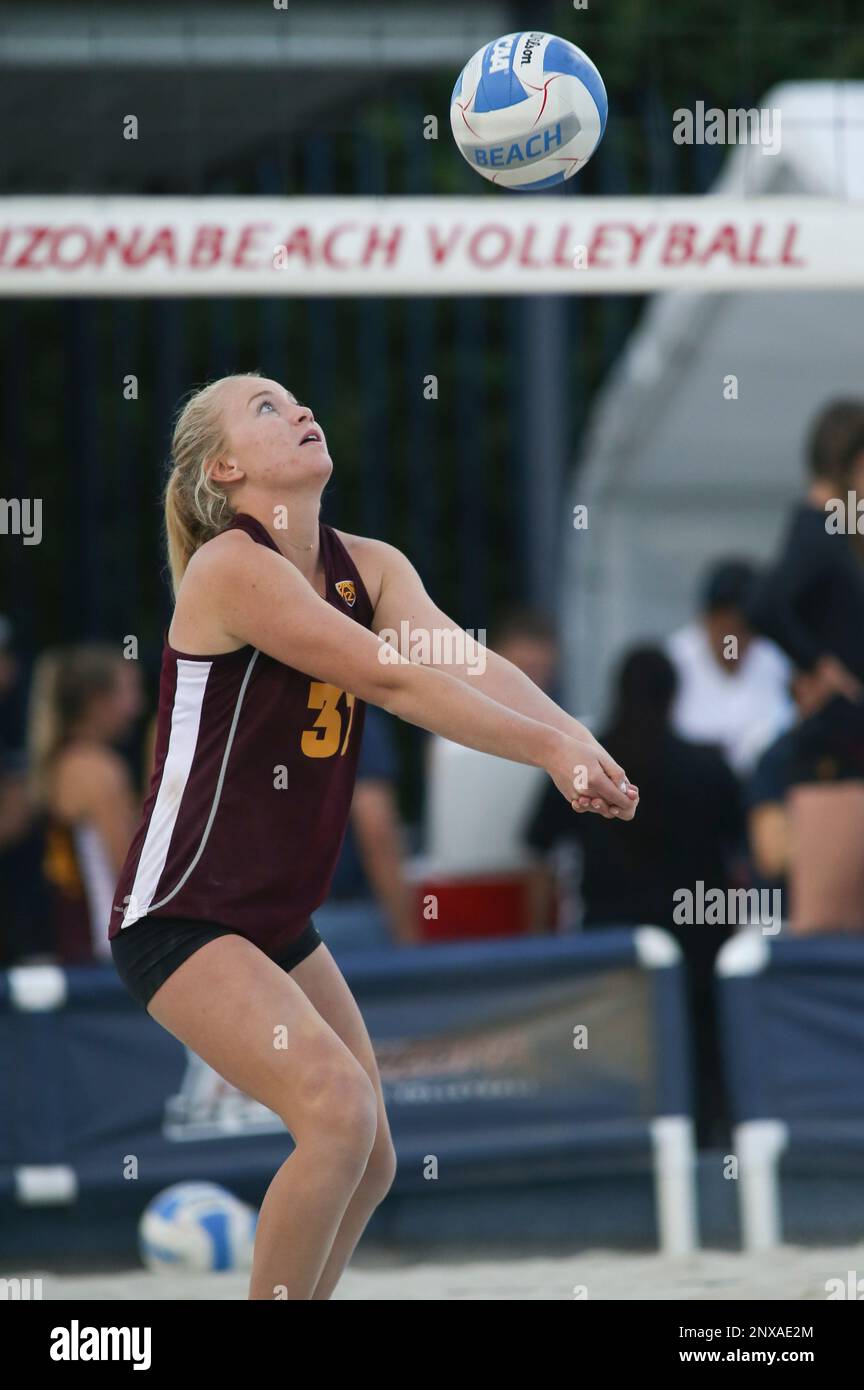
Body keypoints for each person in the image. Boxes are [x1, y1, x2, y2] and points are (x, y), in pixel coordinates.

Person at [108, 372, 640, 1302]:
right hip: (182, 914)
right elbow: (394, 682)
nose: (303, 408)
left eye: (298, 398)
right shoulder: (228, 569)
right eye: (267, 407)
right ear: (224, 469)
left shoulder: (372, 566)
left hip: (273, 916)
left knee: (373, 1153)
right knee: (338, 1113)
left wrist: (580, 740)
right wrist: (549, 749)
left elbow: (462, 661)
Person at [525, 646, 743, 1147]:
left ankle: (621, 1152)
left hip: (609, 947)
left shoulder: (586, 767)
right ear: (674, 695)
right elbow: (740, 862)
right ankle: (705, 1147)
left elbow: (538, 851)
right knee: (698, 1058)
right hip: (700, 950)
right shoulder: (709, 767)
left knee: (612, 1061)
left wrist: (541, 937)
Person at [747, 399, 864, 934]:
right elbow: (765, 605)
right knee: (827, 916)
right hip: (833, 752)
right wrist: (820, 667)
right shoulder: (817, 529)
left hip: (841, 747)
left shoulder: (832, 533)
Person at [26, 644, 144, 964]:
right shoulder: (98, 768)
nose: (137, 706)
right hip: (107, 950)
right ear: (97, 701)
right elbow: (130, 872)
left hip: (74, 946)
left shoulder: (62, 762)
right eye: (129, 691)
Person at [665, 560, 793, 777]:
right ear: (706, 620)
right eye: (728, 630)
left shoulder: (777, 662)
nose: (735, 642)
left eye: (745, 631)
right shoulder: (673, 661)